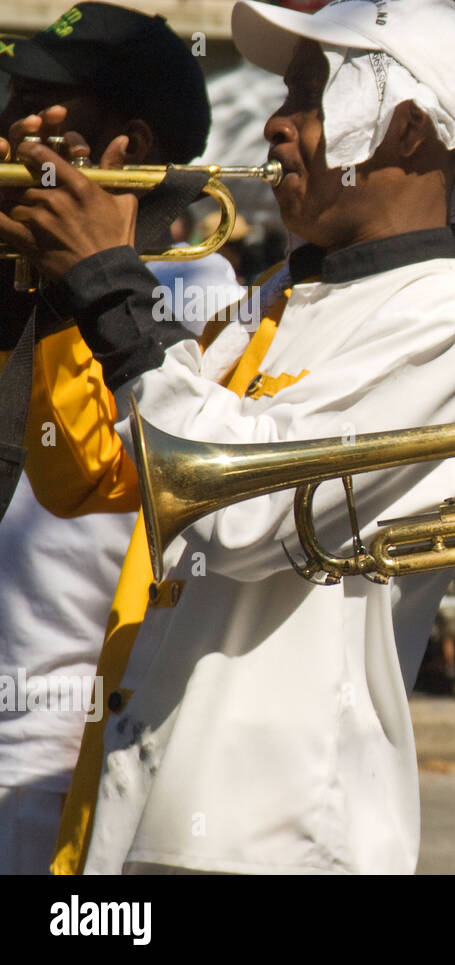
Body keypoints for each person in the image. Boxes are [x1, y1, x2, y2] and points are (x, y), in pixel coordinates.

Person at [0, 0, 455, 874]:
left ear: (405, 133)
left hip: (279, 826)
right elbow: (92, 471)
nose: (277, 124)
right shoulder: (285, 288)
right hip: (150, 798)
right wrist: (64, 287)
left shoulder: (452, 311)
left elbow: (237, 515)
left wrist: (110, 289)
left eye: (311, 96)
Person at [0, 2, 227, 875]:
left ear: (125, 149)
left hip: (64, 769)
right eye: (13, 96)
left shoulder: (209, 304)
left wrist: (88, 281)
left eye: (46, 106)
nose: (15, 123)